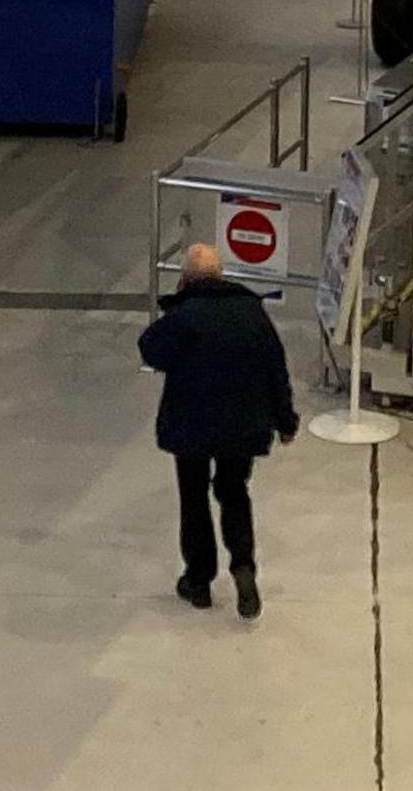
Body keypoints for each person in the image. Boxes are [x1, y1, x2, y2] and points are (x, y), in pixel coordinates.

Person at [137, 241, 299, 617]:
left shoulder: (184, 316)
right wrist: (285, 421)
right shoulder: (252, 312)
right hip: (242, 424)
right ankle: (243, 567)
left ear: (186, 279)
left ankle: (198, 582)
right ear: (221, 275)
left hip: (190, 425)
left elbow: (150, 349)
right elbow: (276, 369)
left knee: (193, 498)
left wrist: (175, 306)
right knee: (234, 491)